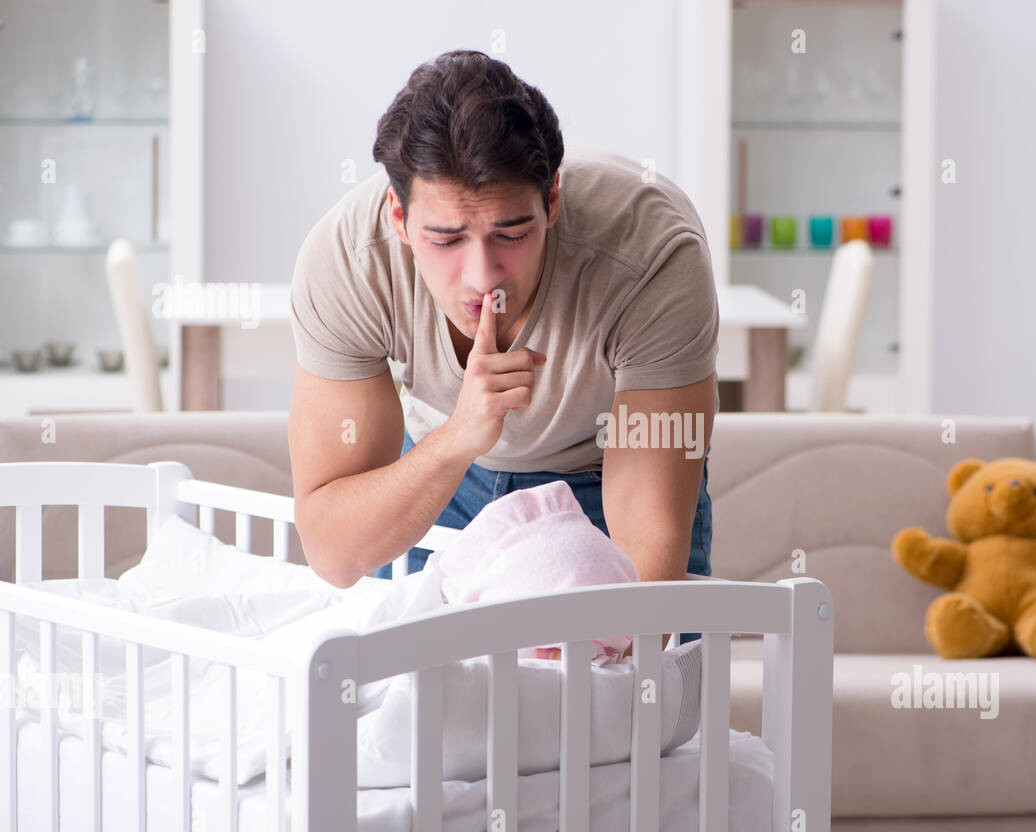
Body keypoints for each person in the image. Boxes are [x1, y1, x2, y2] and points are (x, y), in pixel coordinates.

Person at [286, 50, 719, 647]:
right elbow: (333, 552)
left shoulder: (651, 257)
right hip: (441, 470)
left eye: (512, 234)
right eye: (446, 239)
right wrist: (459, 438)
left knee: (637, 713)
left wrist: (601, 651)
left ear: (553, 203)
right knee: (426, 718)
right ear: (398, 217)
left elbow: (646, 541)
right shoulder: (348, 263)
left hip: (597, 474)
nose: (482, 275)